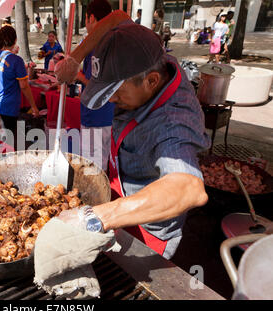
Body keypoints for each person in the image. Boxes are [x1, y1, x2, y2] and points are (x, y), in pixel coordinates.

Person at [54, 10, 210, 260]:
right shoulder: (146, 51)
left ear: (151, 80)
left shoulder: (173, 122)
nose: (112, 100)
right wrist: (75, 58)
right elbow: (117, 17)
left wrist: (96, 218)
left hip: (149, 228)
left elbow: (189, 187)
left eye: (116, 91)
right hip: (122, 195)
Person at [0, 26, 39, 148]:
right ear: (14, 40)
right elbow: (24, 86)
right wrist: (33, 106)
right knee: (8, 142)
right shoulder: (16, 60)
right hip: (9, 108)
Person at [75, 0, 114, 171]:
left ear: (91, 18)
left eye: (86, 19)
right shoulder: (110, 41)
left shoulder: (99, 44)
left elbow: (100, 86)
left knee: (93, 169)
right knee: (98, 164)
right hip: (105, 115)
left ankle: (98, 198)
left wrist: (77, 76)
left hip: (97, 115)